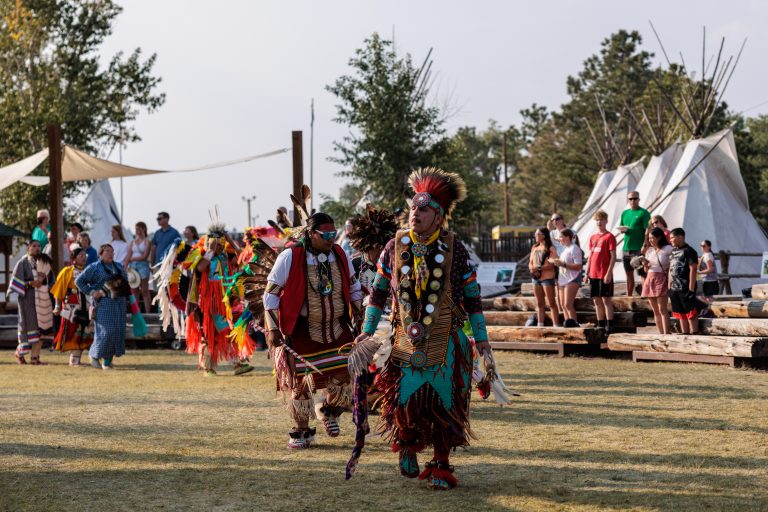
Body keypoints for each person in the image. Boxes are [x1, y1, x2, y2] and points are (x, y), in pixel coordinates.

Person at [355, 167, 491, 490]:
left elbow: (473, 297)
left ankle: (441, 463)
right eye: (414, 207)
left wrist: (481, 339)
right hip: (405, 340)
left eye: (424, 208)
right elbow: (377, 292)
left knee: (446, 404)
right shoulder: (394, 246)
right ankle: (406, 442)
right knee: (403, 401)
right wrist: (367, 328)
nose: (416, 213)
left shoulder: (455, 250)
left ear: (439, 216)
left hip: (447, 341)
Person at [264, 208, 362, 449]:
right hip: (302, 331)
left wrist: (360, 316)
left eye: (334, 235)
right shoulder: (291, 256)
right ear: (311, 233)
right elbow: (271, 294)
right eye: (326, 235)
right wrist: (273, 329)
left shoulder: (339, 253)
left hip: (338, 329)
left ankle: (328, 411)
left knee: (344, 377)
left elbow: (354, 286)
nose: (331, 240)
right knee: (301, 384)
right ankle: (301, 431)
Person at [183, 223, 245, 376]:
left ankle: (237, 364)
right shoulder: (203, 254)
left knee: (228, 331)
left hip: (225, 301)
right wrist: (210, 250)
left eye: (222, 241)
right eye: (218, 241)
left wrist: (230, 240)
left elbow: (242, 258)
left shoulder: (225, 255)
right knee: (208, 334)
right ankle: (207, 367)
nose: (220, 244)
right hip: (208, 302)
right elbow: (199, 268)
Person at [75, 244, 130, 370]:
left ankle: (107, 361)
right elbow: (79, 281)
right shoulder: (94, 267)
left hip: (119, 303)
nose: (110, 253)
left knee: (117, 332)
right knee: (106, 332)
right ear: (100, 253)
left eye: (112, 251)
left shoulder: (119, 267)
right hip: (103, 304)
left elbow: (125, 282)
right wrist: (91, 292)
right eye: (107, 251)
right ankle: (94, 355)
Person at [51, 248, 93, 366]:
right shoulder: (67, 271)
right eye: (80, 255)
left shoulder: (89, 271)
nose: (84, 257)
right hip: (71, 305)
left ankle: (76, 360)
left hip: (86, 304)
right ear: (73, 259)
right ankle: (74, 360)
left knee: (84, 331)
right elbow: (59, 291)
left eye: (85, 255)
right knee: (72, 330)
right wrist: (57, 306)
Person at [10, 240, 47, 364]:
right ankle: (20, 352)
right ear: (29, 248)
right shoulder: (22, 262)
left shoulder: (43, 262)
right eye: (34, 246)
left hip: (41, 300)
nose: (37, 248)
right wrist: (30, 283)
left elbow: (50, 280)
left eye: (39, 246)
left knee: (40, 327)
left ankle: (35, 358)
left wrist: (43, 281)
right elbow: (15, 283)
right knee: (26, 325)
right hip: (27, 299)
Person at [585, 210, 617, 333]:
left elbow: (613, 256)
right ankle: (600, 323)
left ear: (606, 221)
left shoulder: (609, 236)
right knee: (596, 300)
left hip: (604, 273)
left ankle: (610, 324)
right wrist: (587, 273)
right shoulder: (593, 237)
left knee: (606, 299)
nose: (599, 222)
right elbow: (591, 256)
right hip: (593, 273)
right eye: (597, 220)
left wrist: (609, 273)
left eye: (601, 219)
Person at [618, 191, 650, 296]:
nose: (632, 201)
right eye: (630, 199)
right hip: (626, 248)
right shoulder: (625, 213)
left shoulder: (644, 213)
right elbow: (621, 227)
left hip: (638, 249)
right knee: (628, 275)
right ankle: (629, 296)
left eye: (634, 198)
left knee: (643, 274)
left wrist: (645, 244)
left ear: (639, 199)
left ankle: (645, 296)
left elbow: (647, 230)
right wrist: (622, 230)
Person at [641, 228, 673, 334]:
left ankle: (666, 334)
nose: (650, 240)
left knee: (662, 309)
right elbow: (646, 270)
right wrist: (645, 264)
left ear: (659, 237)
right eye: (649, 238)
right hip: (650, 278)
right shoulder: (649, 250)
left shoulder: (668, 248)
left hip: (661, 277)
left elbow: (673, 264)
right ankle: (660, 334)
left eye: (652, 238)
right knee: (655, 311)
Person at [668, 228, 699, 334]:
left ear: (680, 237)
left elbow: (693, 269)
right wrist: (669, 286)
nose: (670, 240)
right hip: (674, 287)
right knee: (680, 313)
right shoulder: (673, 251)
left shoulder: (689, 251)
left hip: (685, 286)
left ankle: (695, 332)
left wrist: (691, 288)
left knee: (690, 312)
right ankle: (685, 333)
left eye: (672, 237)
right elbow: (670, 269)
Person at [529, 227, 560, 327]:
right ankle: (540, 325)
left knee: (551, 303)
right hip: (536, 279)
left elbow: (553, 264)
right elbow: (530, 262)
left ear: (544, 235)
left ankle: (555, 325)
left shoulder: (551, 248)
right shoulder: (534, 247)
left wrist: (539, 268)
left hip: (547, 278)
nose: (535, 236)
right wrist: (532, 269)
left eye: (537, 234)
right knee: (539, 303)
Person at [552, 229, 583, 328]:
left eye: (561, 237)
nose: (559, 239)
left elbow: (578, 266)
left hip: (572, 278)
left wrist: (563, 264)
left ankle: (574, 325)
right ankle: (568, 325)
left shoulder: (574, 248)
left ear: (567, 237)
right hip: (563, 279)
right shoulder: (565, 249)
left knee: (568, 304)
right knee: (563, 305)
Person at [126, 221, 152, 313]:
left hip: (143, 266)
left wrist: (132, 259)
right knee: (134, 290)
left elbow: (145, 256)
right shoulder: (132, 242)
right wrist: (125, 266)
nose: (137, 230)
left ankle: (148, 312)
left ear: (144, 229)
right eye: (136, 228)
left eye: (139, 228)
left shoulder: (147, 242)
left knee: (144, 290)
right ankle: (136, 312)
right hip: (133, 267)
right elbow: (128, 255)